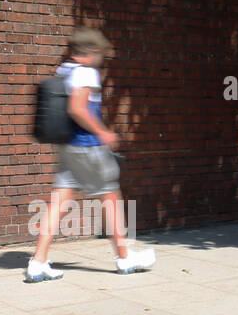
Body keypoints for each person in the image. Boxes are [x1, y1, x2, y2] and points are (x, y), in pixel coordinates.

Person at [26, 27, 156, 282]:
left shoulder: (64, 70)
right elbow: (77, 109)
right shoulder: (86, 73)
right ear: (91, 52)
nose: (102, 60)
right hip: (88, 147)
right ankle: (124, 257)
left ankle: (38, 262)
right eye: (101, 55)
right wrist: (103, 132)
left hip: (68, 147)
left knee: (59, 203)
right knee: (111, 198)